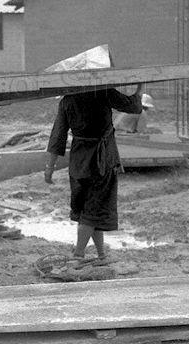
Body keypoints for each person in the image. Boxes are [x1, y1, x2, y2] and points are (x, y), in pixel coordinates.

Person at [44, 84, 143, 259]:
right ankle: (78, 254)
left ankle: (101, 254)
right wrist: (140, 88)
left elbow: (57, 135)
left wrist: (49, 167)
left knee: (89, 211)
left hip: (79, 162)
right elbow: (133, 107)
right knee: (92, 212)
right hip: (102, 161)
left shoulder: (67, 101)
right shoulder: (104, 93)